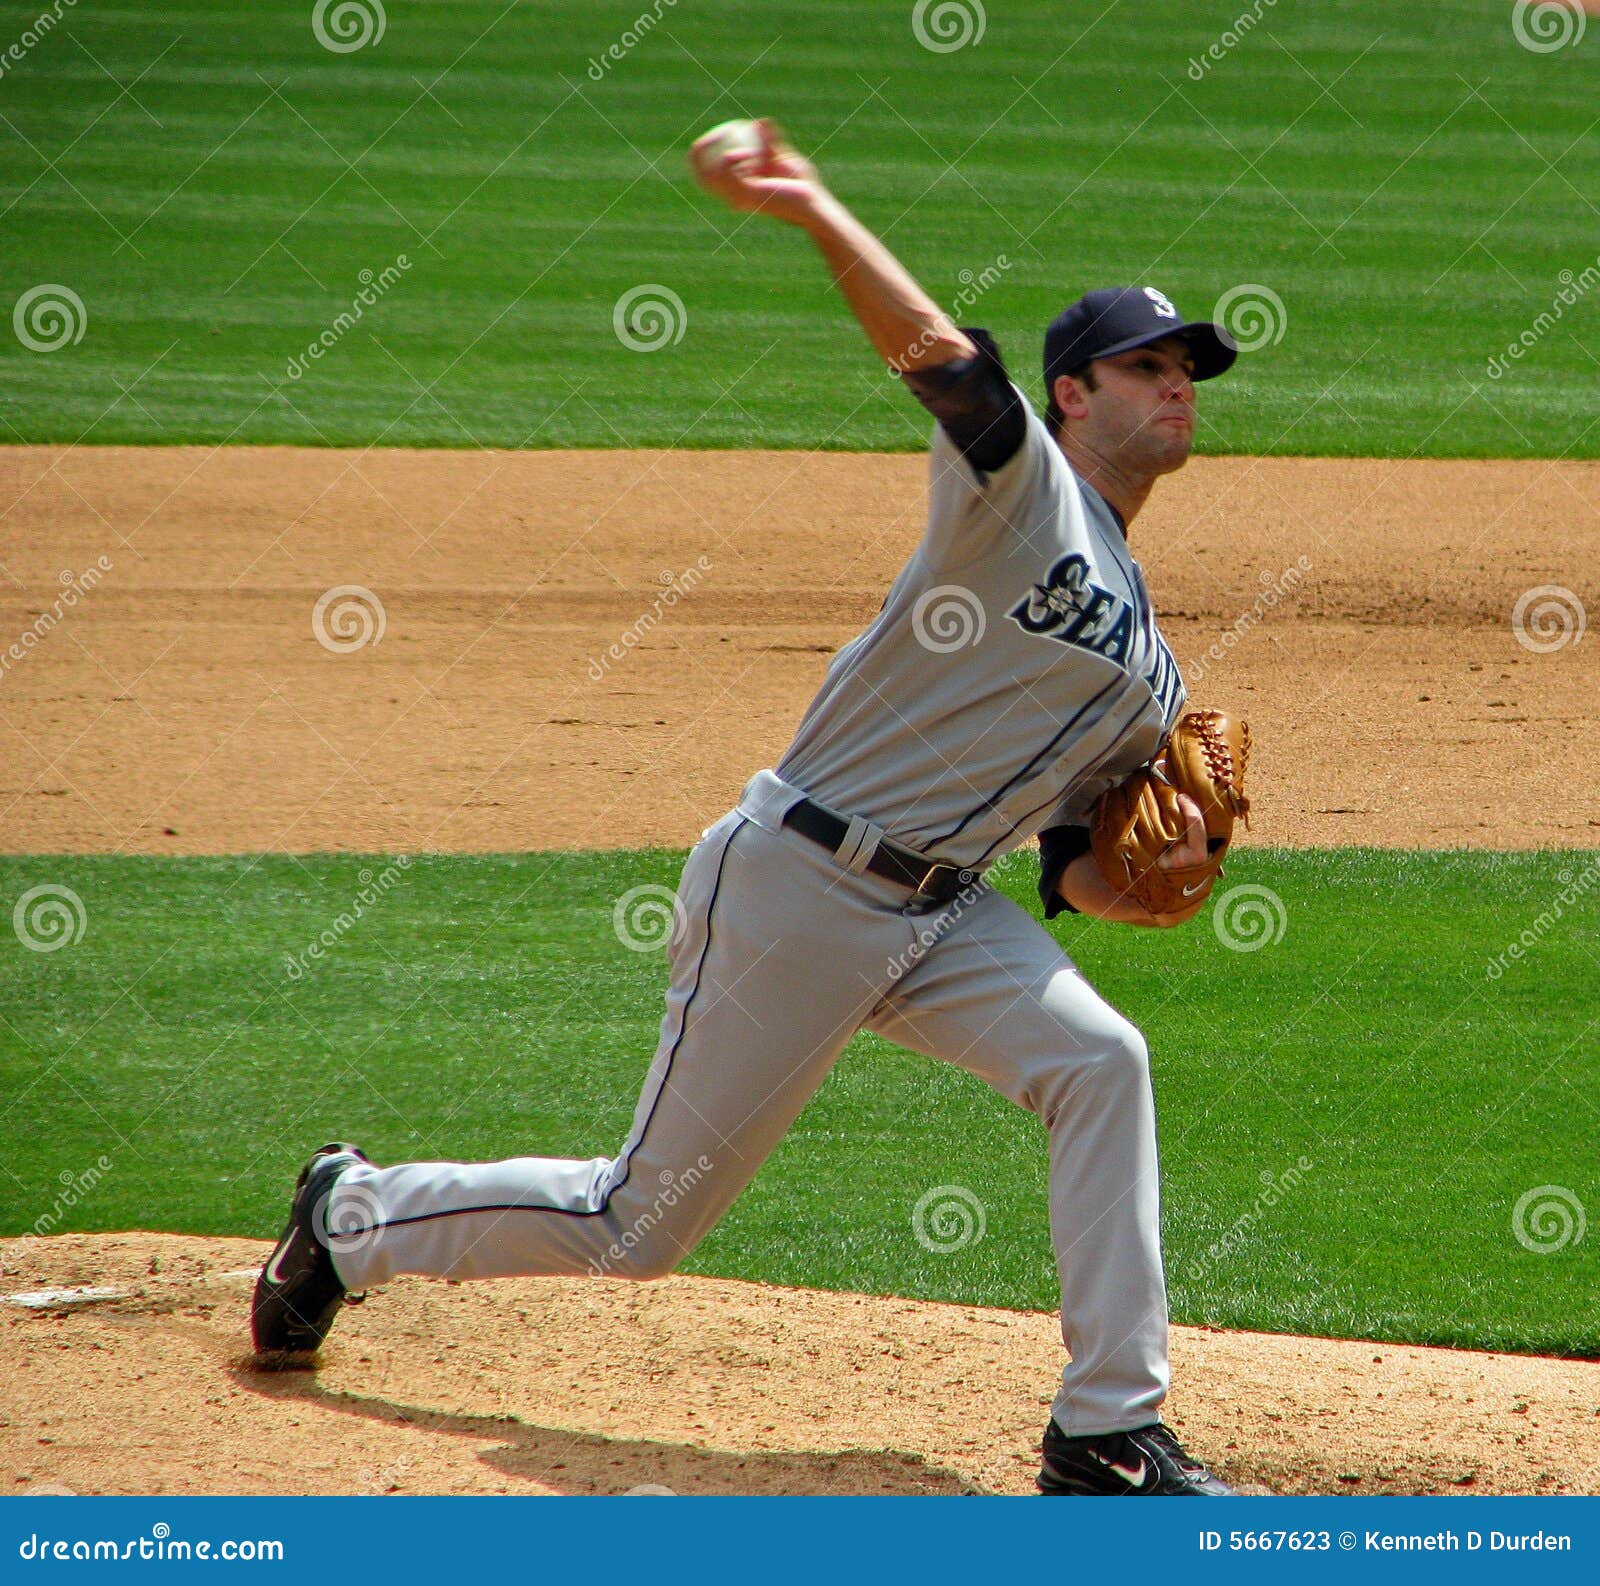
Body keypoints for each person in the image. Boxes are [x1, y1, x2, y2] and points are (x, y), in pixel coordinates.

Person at [252, 119, 1244, 1498]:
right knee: (636, 1224)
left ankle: (1106, 1428)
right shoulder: (1018, 496)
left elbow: (1072, 858)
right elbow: (946, 364)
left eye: (1190, 368)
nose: (1180, 384)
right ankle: (349, 1213)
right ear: (1075, 393)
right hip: (798, 881)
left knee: (1103, 1060)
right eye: (1150, 364)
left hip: (944, 913)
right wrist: (815, 207)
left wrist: (1146, 882)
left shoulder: (1152, 658)